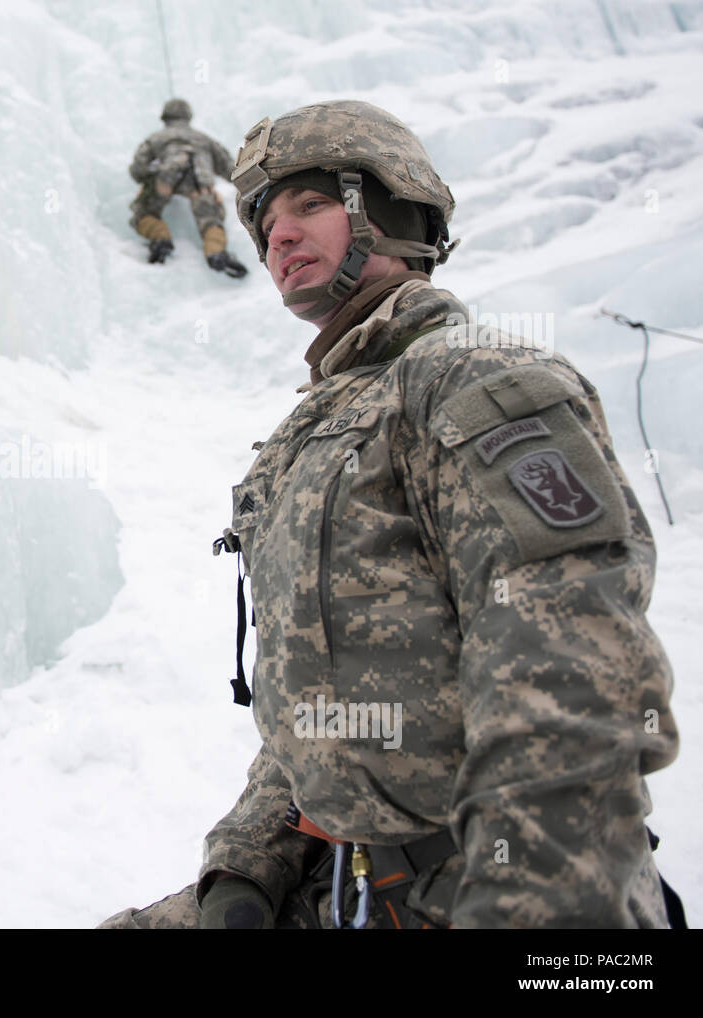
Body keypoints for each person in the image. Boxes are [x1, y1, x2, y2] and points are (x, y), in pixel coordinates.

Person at [100, 100, 682, 929]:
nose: (279, 236)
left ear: (393, 212)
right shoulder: (319, 425)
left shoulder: (471, 379)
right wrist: (248, 862)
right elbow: (323, 690)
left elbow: (573, 659)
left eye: (310, 204)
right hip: (344, 880)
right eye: (265, 222)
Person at [128, 98, 247, 277]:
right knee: (210, 219)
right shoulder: (205, 139)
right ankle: (215, 252)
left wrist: (149, 179)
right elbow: (231, 170)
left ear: (165, 118)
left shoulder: (156, 138)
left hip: (166, 178)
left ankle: (160, 239)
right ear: (188, 117)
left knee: (144, 212)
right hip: (200, 184)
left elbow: (137, 169)